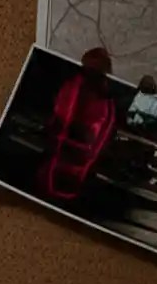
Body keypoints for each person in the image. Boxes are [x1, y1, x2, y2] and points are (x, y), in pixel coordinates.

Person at [37, 47, 116, 201]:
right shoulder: (96, 96)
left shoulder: (79, 88)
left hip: (80, 138)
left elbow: (62, 110)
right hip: (82, 139)